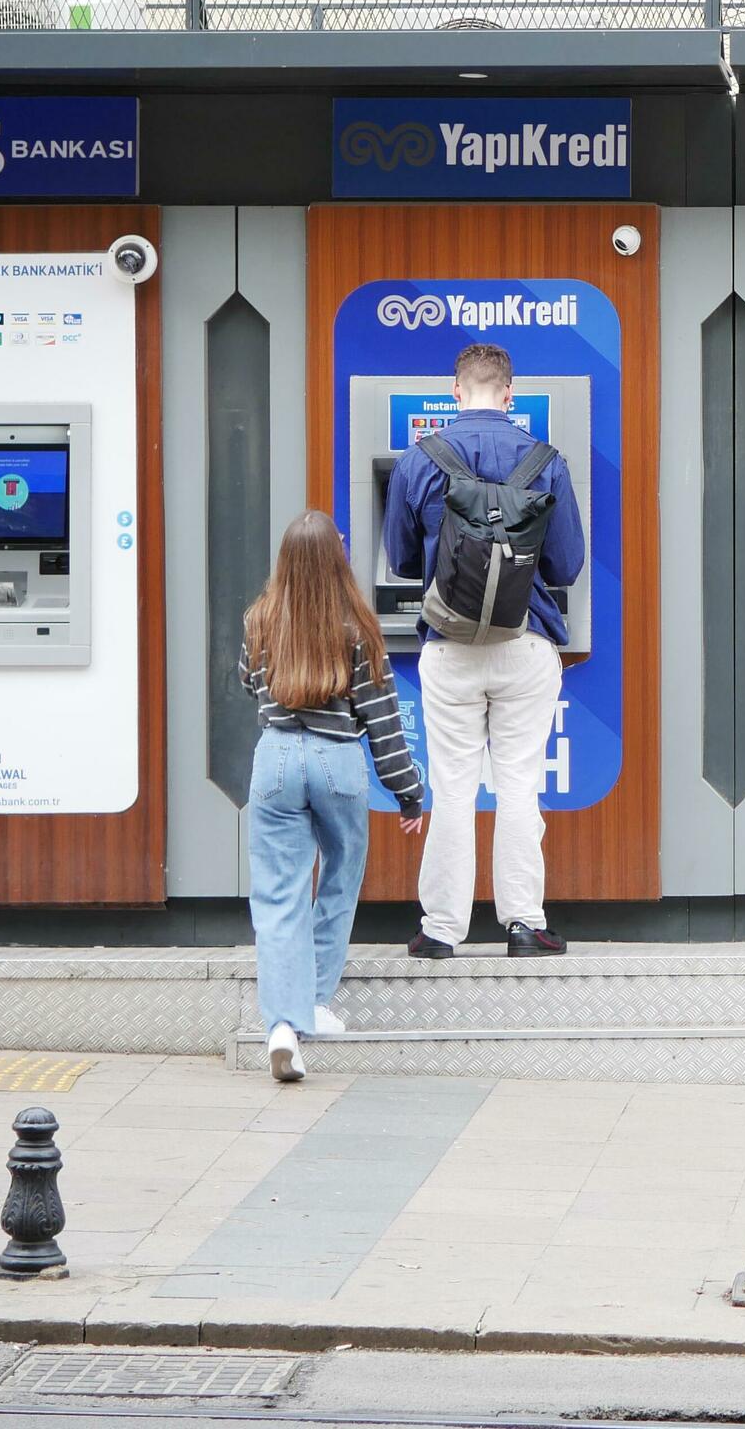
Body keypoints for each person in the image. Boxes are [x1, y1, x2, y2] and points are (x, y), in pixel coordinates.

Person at [381, 340, 586, 961]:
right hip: (525, 642)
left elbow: (399, 557)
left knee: (452, 787)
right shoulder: (544, 459)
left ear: (454, 391)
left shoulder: (420, 459)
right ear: (508, 395)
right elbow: (568, 564)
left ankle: (441, 930)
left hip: (448, 645)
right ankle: (524, 924)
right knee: (520, 783)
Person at [239, 510, 424, 1084]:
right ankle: (317, 1001)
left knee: (277, 896)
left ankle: (282, 1027)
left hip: (274, 756)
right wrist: (408, 792)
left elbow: (249, 681)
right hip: (337, 757)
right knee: (339, 877)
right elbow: (383, 718)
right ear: (337, 562)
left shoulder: (260, 620)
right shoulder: (357, 627)